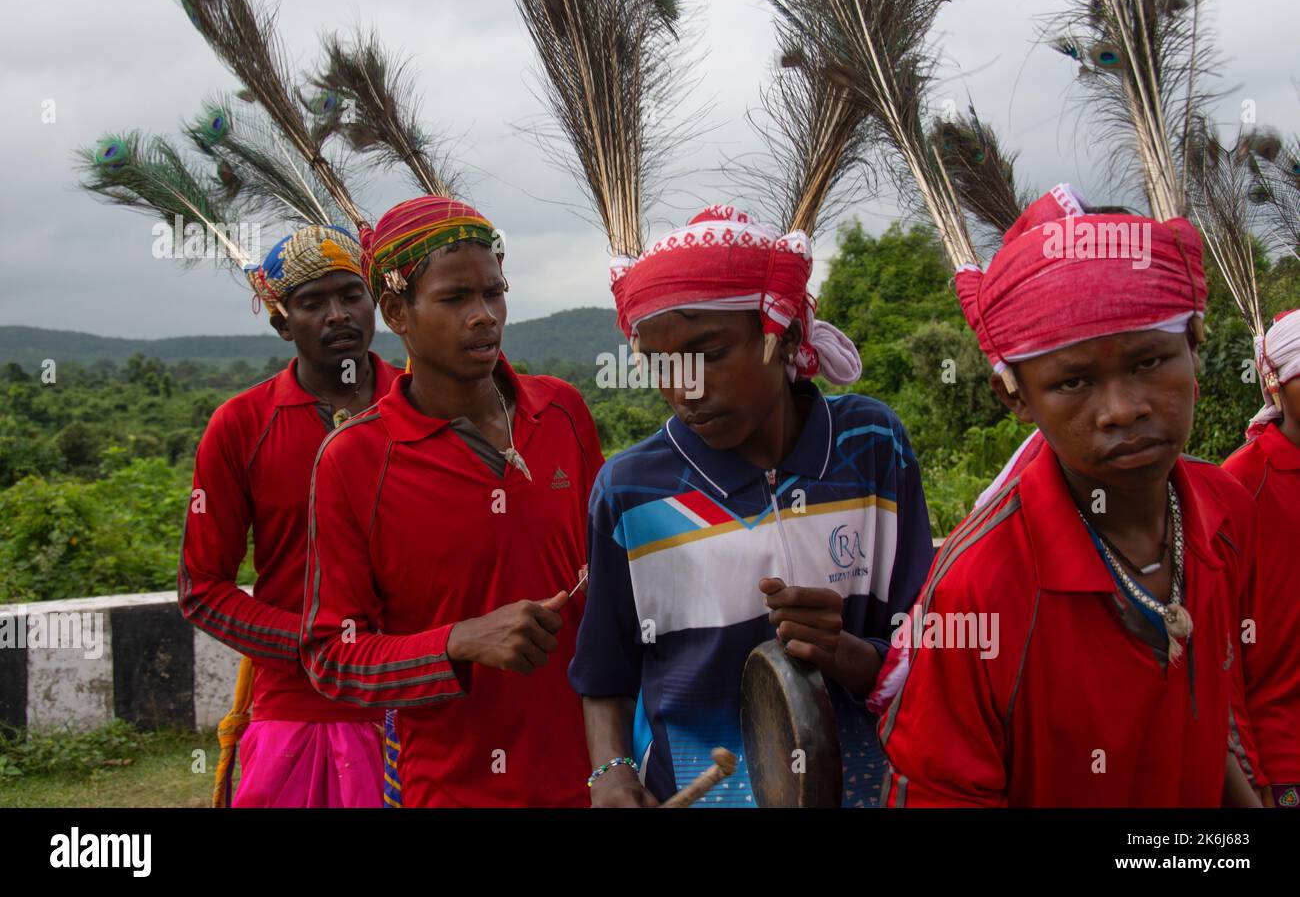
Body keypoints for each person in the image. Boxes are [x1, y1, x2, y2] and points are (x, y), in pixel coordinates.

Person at [877, 184, 1262, 807]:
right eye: (1074, 381)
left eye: (1148, 362)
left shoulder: (1225, 511)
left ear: (1194, 344)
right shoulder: (981, 583)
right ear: (1017, 397)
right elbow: (938, 792)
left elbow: (1204, 714)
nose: (1122, 410)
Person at [569, 204, 936, 807]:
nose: (685, 388)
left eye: (710, 353)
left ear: (785, 336)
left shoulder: (870, 447)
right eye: (660, 363)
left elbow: (925, 652)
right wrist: (610, 774)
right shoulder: (630, 490)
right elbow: (606, 671)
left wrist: (842, 650)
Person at [302, 195, 603, 807]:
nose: (484, 316)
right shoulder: (355, 460)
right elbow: (332, 656)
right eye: (455, 298)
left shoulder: (563, 411)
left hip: (594, 782)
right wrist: (455, 642)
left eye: (494, 293)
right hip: (452, 790)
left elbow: (607, 583)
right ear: (396, 312)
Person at [178, 225, 403, 807]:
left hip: (426, 695)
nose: (338, 315)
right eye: (312, 303)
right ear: (282, 323)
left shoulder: (427, 406)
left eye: (351, 294)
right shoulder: (241, 426)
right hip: (300, 709)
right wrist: (313, 647)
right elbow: (202, 589)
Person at [1222, 307, 1300, 808]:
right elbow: (1220, 646)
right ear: (1276, 384)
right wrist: (1252, 778)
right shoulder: (1240, 484)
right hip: (1285, 755)